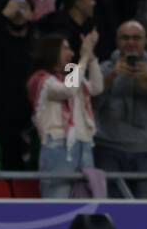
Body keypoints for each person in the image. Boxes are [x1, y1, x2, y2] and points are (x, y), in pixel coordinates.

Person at [96, 21, 147, 198]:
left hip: (144, 151)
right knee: (111, 208)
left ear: (145, 41)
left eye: (136, 38)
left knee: (142, 211)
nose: (130, 42)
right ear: (117, 41)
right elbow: (90, 100)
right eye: (125, 38)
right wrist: (112, 76)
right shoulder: (105, 68)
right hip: (108, 150)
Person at [29, 31, 102, 199]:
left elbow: (97, 88)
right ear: (51, 51)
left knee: (86, 205)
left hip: (84, 144)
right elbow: (67, 90)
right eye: (65, 49)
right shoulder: (40, 79)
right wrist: (83, 59)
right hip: (58, 145)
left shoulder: (73, 78)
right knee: (57, 201)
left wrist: (90, 56)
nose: (71, 53)